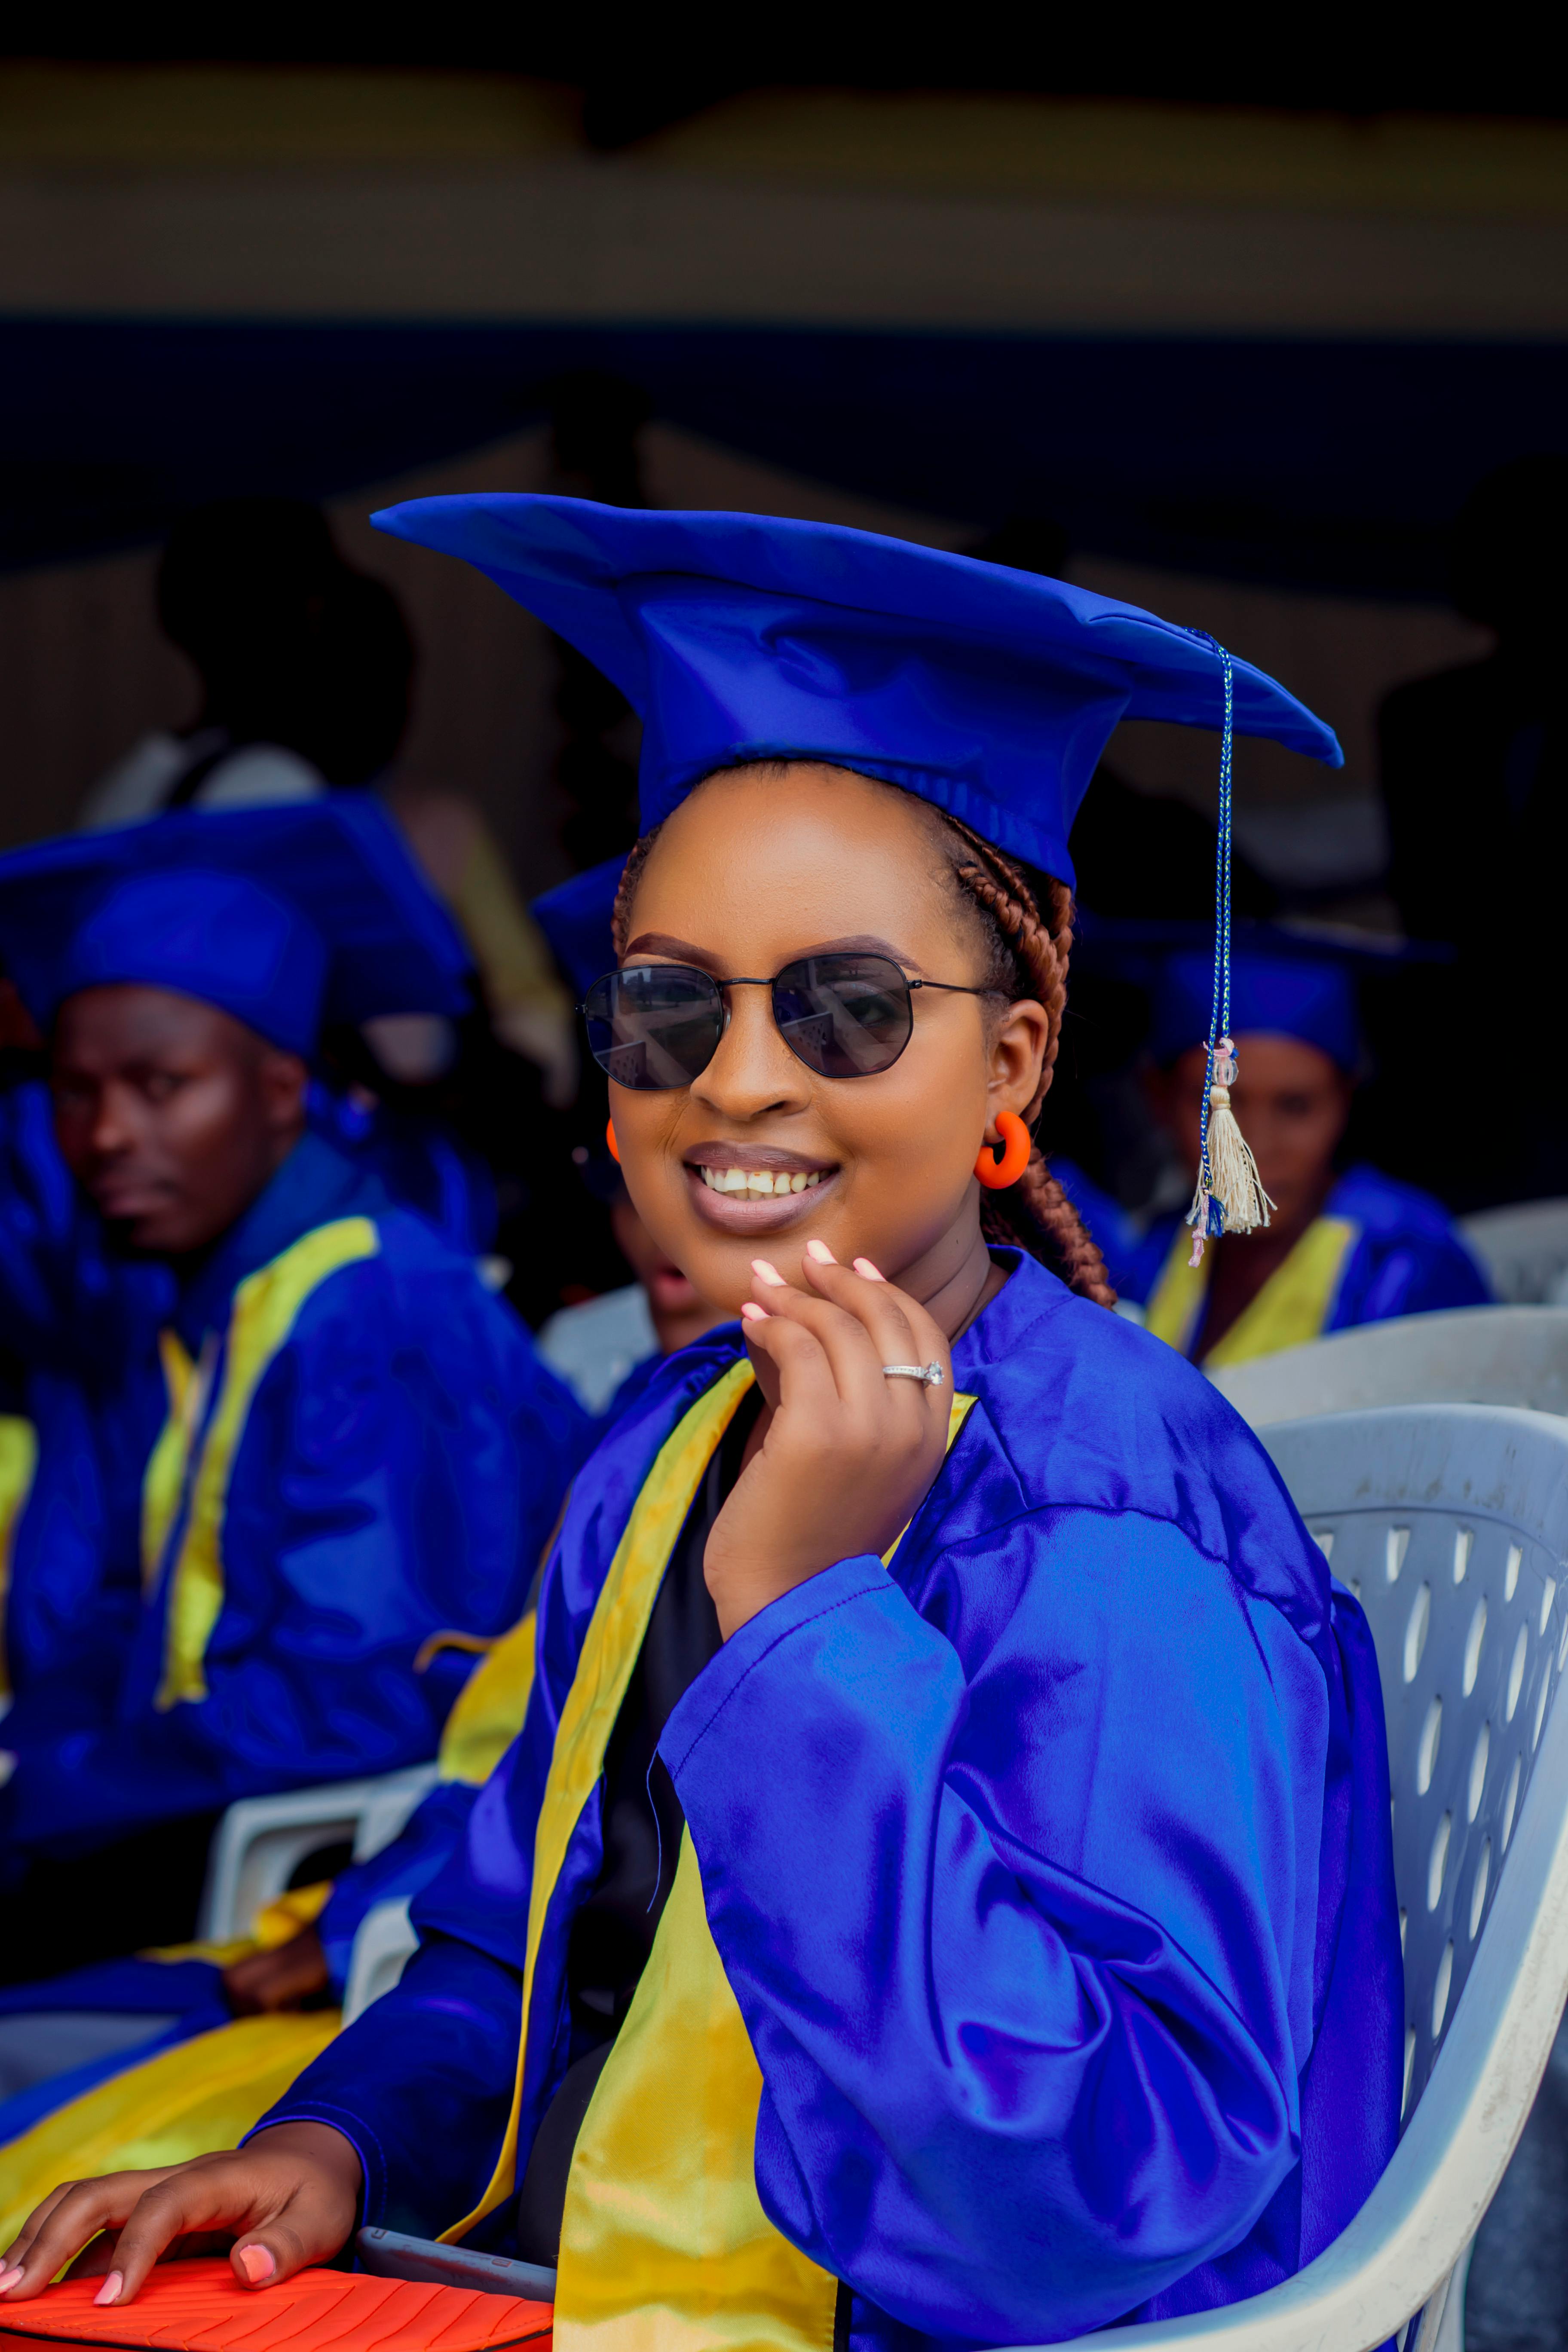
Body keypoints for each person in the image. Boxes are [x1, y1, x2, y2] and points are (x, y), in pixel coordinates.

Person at [0, 503, 1401, 2349]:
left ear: (1014, 1047)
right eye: (664, 1003)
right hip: (568, 2272)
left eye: (846, 1005)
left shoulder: (1106, 1508)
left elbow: (1085, 2184)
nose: (736, 1074)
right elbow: (514, 1934)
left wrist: (805, 1617)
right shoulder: (675, 1428)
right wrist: (340, 2134)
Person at [0, 798, 590, 1986]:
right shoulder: (213, 1302)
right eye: (77, 1090)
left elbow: (372, 1694)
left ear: (280, 1090)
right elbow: (127, 1612)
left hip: (300, 1896)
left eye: (163, 1085)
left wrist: (59, 1787)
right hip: (172, 1829)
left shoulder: (377, 1312)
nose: (107, 1134)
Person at [1088, 938, 1491, 1366]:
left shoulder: (1403, 1264)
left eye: (1296, 1106)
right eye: (1217, 1106)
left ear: (1346, 1100)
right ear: (1159, 1097)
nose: (1255, 1148)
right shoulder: (1159, 1251)